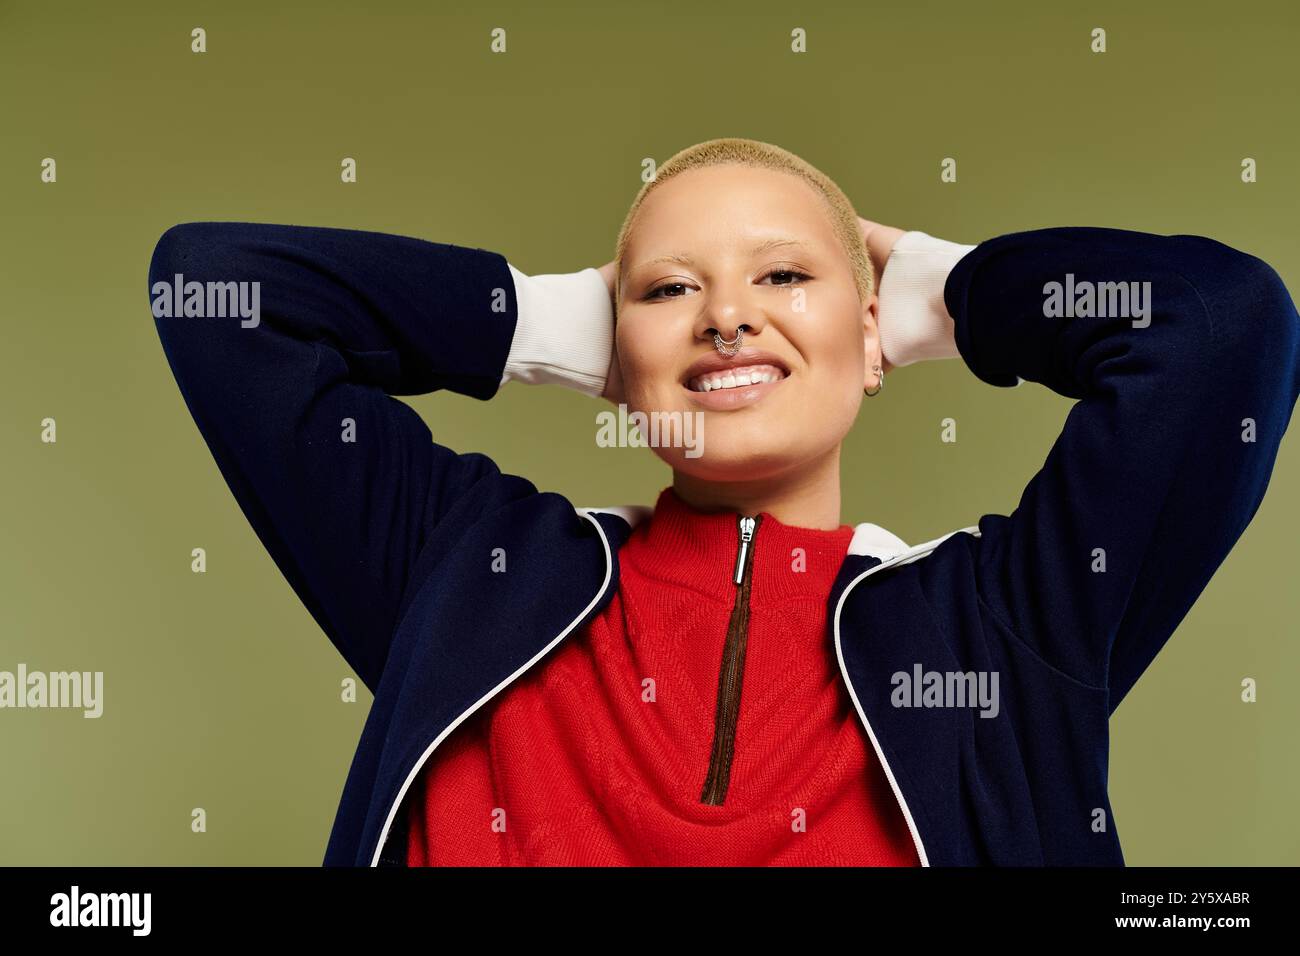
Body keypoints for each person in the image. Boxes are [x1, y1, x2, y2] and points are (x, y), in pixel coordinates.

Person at [147, 137, 1299, 866]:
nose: (728, 316)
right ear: (609, 341)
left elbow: (1219, 323)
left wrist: (952, 291)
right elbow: (214, 290)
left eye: (784, 275)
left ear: (873, 328)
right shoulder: (466, 572)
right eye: (668, 288)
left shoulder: (999, 630)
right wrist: (535, 323)